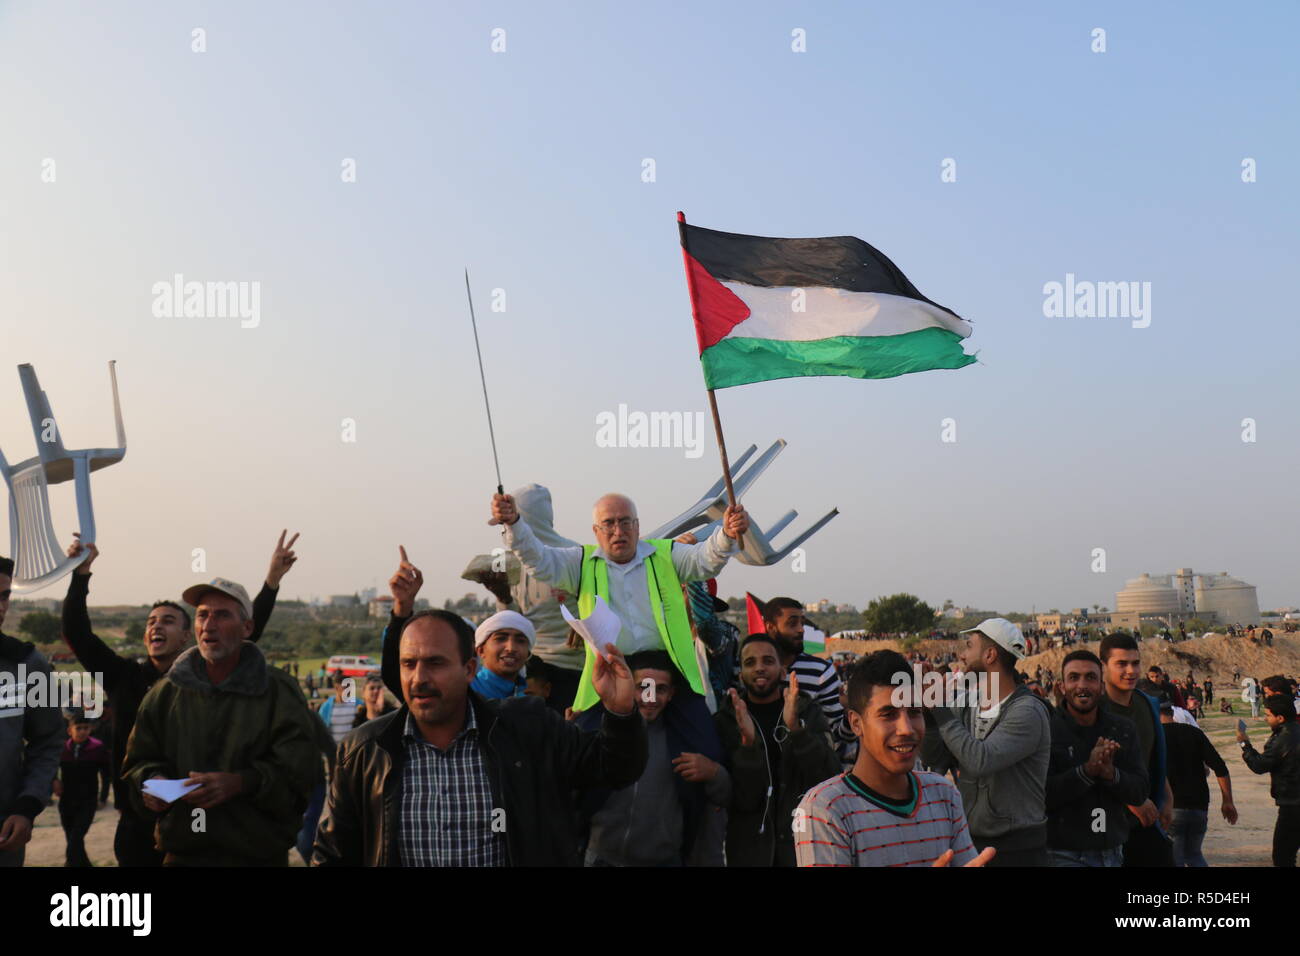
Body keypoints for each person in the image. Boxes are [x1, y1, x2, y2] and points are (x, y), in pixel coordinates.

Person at [312, 609, 647, 866]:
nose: (418, 678)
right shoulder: (364, 751)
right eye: (408, 664)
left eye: (435, 663)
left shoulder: (529, 728)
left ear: (469, 668)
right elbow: (333, 854)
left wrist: (620, 712)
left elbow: (616, 768)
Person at [59, 532, 297, 865]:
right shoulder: (124, 678)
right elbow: (76, 633)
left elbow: (243, 632)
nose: (157, 626)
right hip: (138, 825)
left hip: (198, 825)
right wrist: (80, 574)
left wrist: (271, 581)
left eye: (168, 620)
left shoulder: (206, 679)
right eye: (151, 621)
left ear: (188, 635)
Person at [490, 490, 749, 712]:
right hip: (609, 675)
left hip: (669, 674)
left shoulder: (667, 554)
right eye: (609, 524)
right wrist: (514, 523)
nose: (618, 531)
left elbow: (705, 559)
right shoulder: (579, 562)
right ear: (596, 531)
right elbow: (539, 560)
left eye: (625, 522)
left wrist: (726, 534)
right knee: (592, 750)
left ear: (637, 526)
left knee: (702, 747)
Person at [122, 577, 319, 866]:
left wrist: (241, 782)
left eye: (222, 615)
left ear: (247, 628)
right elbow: (137, 763)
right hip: (182, 856)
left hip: (256, 857)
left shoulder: (278, 691)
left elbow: (300, 774)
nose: (209, 625)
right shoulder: (166, 692)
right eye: (202, 614)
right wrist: (151, 784)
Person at [795, 650, 994, 867]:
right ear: (856, 723)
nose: (906, 729)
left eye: (914, 711)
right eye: (888, 714)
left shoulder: (944, 794)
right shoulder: (824, 810)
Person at [577, 651, 730, 866]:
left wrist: (713, 772)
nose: (650, 698)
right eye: (643, 687)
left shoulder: (687, 741)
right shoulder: (601, 733)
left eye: (661, 689)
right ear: (627, 685)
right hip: (601, 859)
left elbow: (724, 795)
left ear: (672, 694)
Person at [921, 618, 1051, 866]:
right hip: (972, 842)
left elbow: (980, 760)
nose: (962, 655)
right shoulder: (969, 703)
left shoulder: (1028, 711)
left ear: (990, 655)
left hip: (1017, 850)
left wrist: (939, 707)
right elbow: (933, 757)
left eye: (969, 646)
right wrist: (929, 715)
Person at [714, 633, 839, 866]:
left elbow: (828, 778)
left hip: (802, 847)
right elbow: (740, 798)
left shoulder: (807, 712)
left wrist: (797, 730)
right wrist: (748, 745)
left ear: (782, 671)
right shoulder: (727, 720)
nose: (760, 668)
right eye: (750, 663)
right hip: (749, 851)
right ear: (740, 675)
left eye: (768, 661)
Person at [466, 484, 587, 713]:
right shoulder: (511, 564)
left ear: (527, 521)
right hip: (531, 671)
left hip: (573, 669)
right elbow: (514, 624)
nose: (505, 531)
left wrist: (585, 622)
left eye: (508, 523)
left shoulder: (574, 556)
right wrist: (503, 597)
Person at [1045, 651, 1148, 867]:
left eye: (1090, 678)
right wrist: (1086, 772)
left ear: (1101, 686)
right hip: (1063, 854)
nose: (1082, 685)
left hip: (1112, 853)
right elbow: (1040, 796)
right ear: (1062, 686)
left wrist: (1112, 775)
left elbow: (1140, 791)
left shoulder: (1123, 729)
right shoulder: (1046, 730)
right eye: (1074, 678)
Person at [0, 555, 64, 867]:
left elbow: (49, 739)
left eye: (4, 596)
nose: (0, 607)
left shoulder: (27, 665)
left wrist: (26, 806)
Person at [1098, 632, 1174, 867]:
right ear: (1103, 666)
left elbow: (1153, 757)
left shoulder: (1146, 704)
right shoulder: (1094, 710)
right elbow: (1090, 766)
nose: (1130, 671)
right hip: (1107, 823)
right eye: (1121, 664)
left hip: (1148, 819)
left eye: (1135, 663)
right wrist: (1134, 802)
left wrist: (1168, 796)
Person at [761, 597, 853, 753]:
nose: (801, 629)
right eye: (792, 623)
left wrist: (850, 714)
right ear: (771, 627)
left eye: (802, 623)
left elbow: (837, 736)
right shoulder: (746, 669)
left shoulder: (821, 671)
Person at [1161, 701, 1235, 866]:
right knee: (1194, 855)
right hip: (1199, 805)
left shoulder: (1154, 736)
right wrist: (1227, 801)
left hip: (1171, 806)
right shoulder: (1194, 733)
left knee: (1175, 858)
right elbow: (1220, 768)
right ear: (1172, 713)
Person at [1237, 694, 1300, 866]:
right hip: (1292, 802)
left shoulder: (1283, 738)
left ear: (1280, 718)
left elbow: (1259, 765)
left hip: (1292, 805)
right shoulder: (1292, 732)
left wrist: (1245, 745)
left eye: (1268, 715)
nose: (1266, 719)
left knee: (1283, 857)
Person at [54, 712, 111, 867]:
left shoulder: (98, 748)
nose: (82, 731)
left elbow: (106, 775)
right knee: (71, 837)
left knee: (76, 838)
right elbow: (50, 768)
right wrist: (54, 780)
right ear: (69, 731)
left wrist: (103, 798)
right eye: (78, 728)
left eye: (86, 728)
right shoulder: (62, 748)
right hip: (66, 801)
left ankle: (69, 864)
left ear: (90, 729)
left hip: (88, 801)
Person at [471, 610, 533, 699]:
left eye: (520, 641)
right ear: (481, 651)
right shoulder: (465, 692)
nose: (511, 648)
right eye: (500, 639)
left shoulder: (530, 699)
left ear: (528, 654)